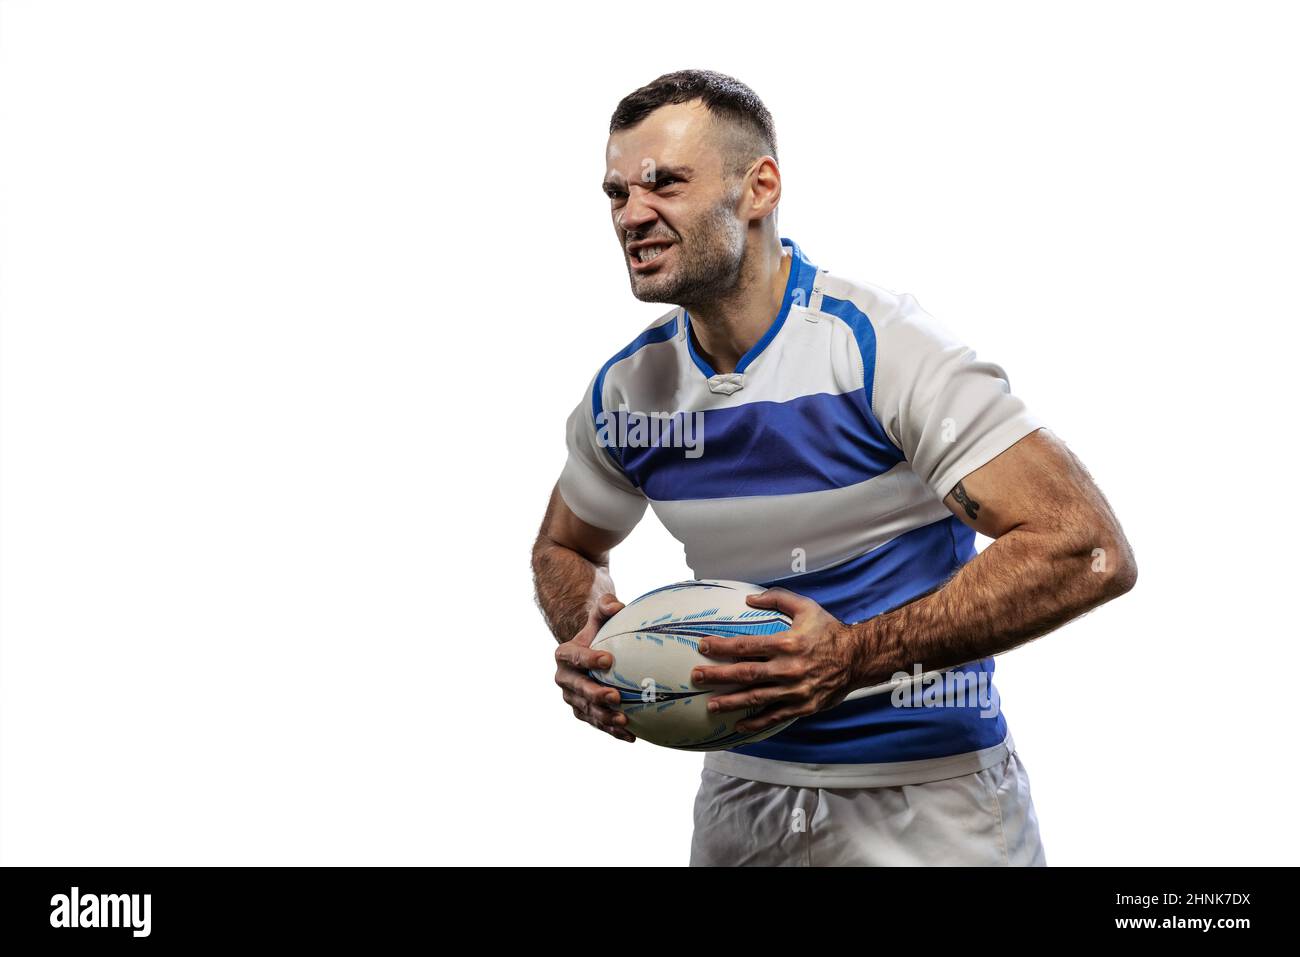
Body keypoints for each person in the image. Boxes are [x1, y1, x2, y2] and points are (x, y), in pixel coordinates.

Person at [531, 69, 1136, 866]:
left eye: (664, 184)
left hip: (927, 802)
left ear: (760, 188)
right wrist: (593, 636)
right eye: (615, 193)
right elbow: (564, 547)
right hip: (739, 798)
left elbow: (1085, 549)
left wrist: (851, 656)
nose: (631, 214)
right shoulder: (628, 391)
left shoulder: (877, 346)